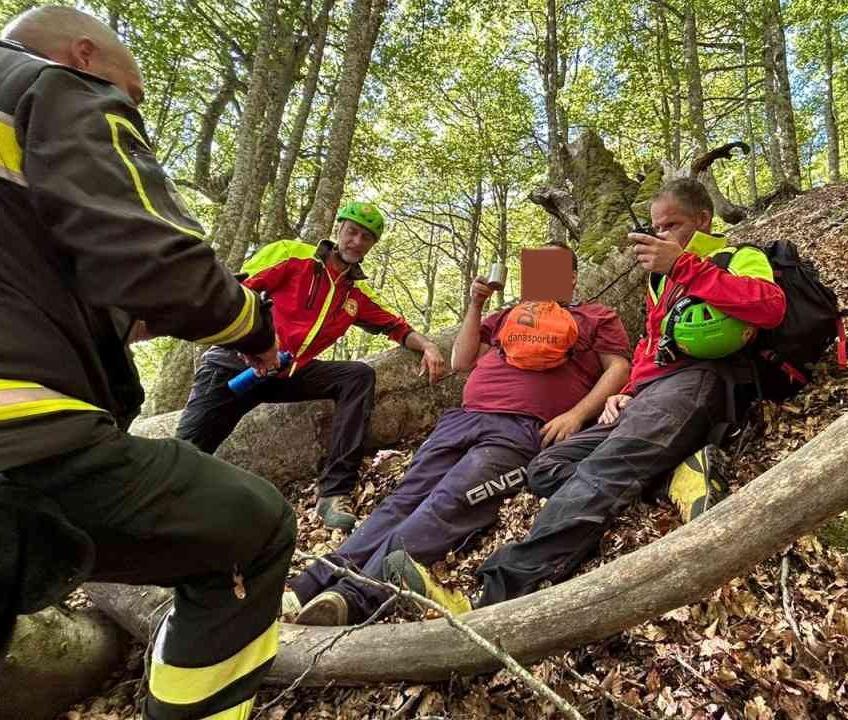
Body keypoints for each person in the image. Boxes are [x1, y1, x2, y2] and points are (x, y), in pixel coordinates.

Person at [0, 7, 295, 720]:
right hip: (25, 435)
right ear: (83, 56)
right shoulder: (47, 86)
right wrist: (253, 328)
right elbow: (157, 258)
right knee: (251, 528)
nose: (131, 112)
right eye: (131, 95)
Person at [384, 178, 786, 611]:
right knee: (545, 468)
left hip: (700, 381)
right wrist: (627, 391)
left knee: (603, 471)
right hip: (648, 394)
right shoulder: (660, 279)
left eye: (671, 225)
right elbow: (650, 345)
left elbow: (770, 305)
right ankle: (674, 473)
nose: (659, 235)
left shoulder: (736, 256)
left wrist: (685, 264)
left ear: (703, 221)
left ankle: (495, 595)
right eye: (655, 227)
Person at [284, 243, 632, 625]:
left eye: (552, 269)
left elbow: (617, 367)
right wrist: (476, 305)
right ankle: (307, 587)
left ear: (572, 277)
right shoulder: (507, 317)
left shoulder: (595, 316)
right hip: (462, 420)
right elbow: (461, 361)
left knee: (448, 502)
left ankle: (353, 596)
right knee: (401, 500)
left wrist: (576, 415)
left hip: (521, 431)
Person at [175, 203, 447, 530]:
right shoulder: (292, 255)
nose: (356, 241)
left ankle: (334, 493)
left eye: (366, 237)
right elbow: (235, 293)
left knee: (357, 376)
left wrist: (429, 345)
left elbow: (396, 327)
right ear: (339, 228)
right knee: (185, 453)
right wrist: (252, 344)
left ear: (372, 245)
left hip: (286, 374)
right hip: (233, 366)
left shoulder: (356, 294)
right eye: (352, 231)